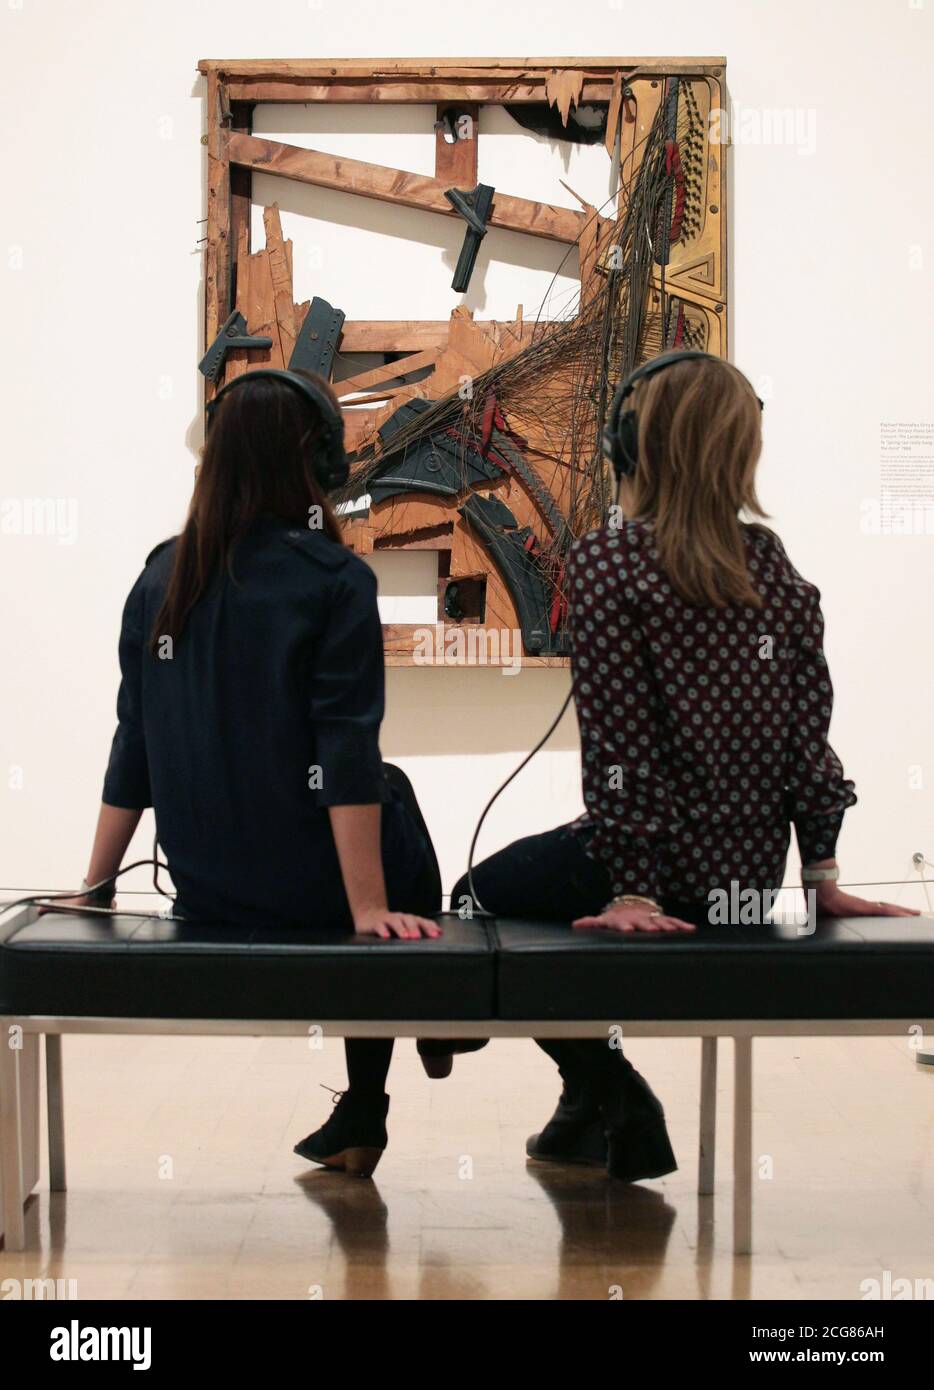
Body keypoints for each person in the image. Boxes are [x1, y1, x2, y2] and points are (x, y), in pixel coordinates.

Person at [448, 350, 919, 1183]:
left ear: (634, 447)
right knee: (559, 877)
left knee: (474, 895)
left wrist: (632, 885)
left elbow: (619, 744)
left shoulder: (608, 563)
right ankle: (583, 1111)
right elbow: (810, 735)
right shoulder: (773, 568)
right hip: (742, 881)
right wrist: (821, 871)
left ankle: (609, 1090)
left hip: (656, 873)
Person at [72, 367, 442, 1179]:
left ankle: (366, 1108)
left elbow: (133, 743)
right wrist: (370, 906)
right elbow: (346, 752)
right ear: (319, 459)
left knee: (386, 795)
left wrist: (95, 884)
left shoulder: (159, 578)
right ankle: (428, 1016)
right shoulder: (336, 582)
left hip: (207, 888)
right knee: (395, 792)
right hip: (314, 894)